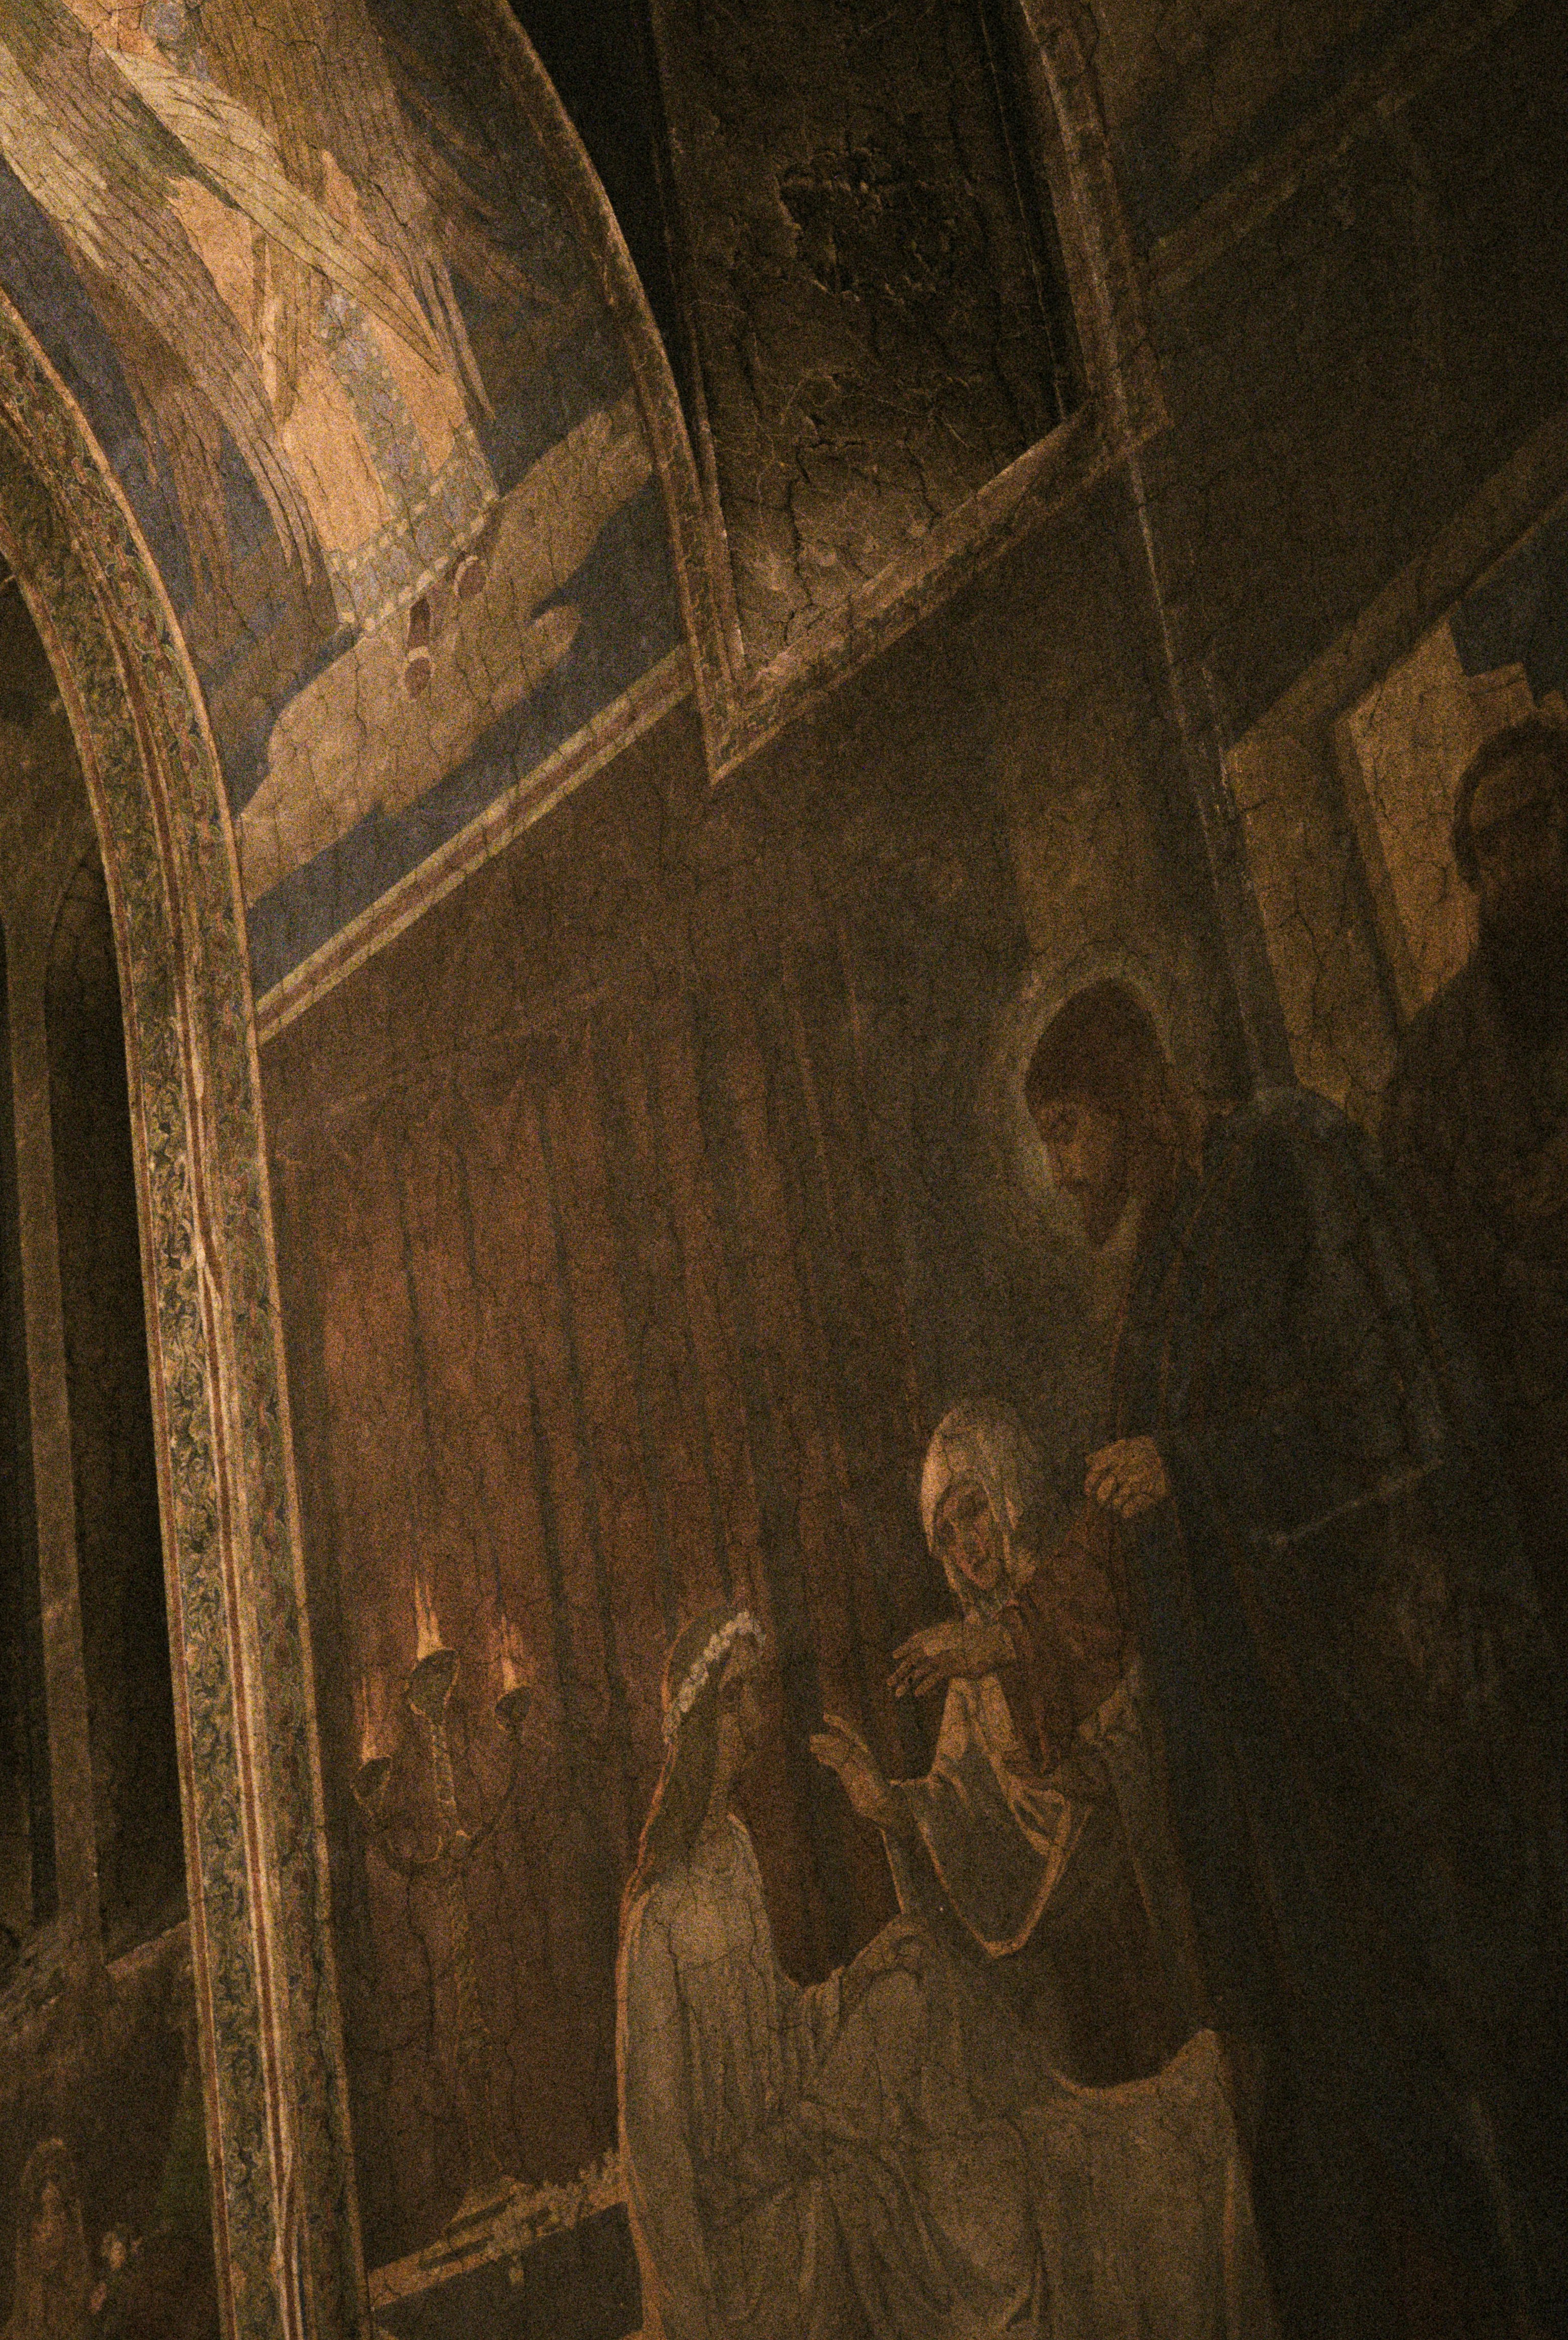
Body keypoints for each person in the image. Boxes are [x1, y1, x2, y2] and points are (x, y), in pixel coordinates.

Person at [1011, 981, 1565, 2333]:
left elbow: (1397, 1404)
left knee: (1474, 2086)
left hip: (1381, 1745)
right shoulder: (1156, 1273)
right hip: (1270, 1805)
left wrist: (1192, 1466)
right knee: (1329, 2120)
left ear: (1134, 1087)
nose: (1068, 1169)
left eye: (1073, 1128)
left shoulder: (1292, 1159)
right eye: (1048, 1143)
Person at [619, 1607, 1264, 2340]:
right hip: (745, 2229)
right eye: (733, 1699)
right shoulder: (659, 1910)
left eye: (753, 1694)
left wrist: (863, 1974)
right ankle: (1102, 2138)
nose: (755, 1717)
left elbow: (780, 2028)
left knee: (915, 1971)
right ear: (696, 1720)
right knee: (968, 2204)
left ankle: (1080, 2125)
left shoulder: (733, 1854)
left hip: (790, 2158)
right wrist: (688, 2314)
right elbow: (655, 2144)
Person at [873, 1399, 1197, 2085]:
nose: (966, 1545)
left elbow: (1162, 1733)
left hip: (1147, 1915)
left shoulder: (1086, 1590)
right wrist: (891, 1807)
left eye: (974, 1511)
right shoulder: (970, 1663)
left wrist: (1093, 1777)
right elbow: (960, 1804)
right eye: (946, 1534)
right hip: (1064, 1958)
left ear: (1010, 1488)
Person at [1379, 711, 1568, 1606]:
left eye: (1553, 820)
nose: (1537, 857)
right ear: (1475, 866)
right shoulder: (1432, 1072)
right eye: (1508, 838)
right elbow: (1438, 1296)